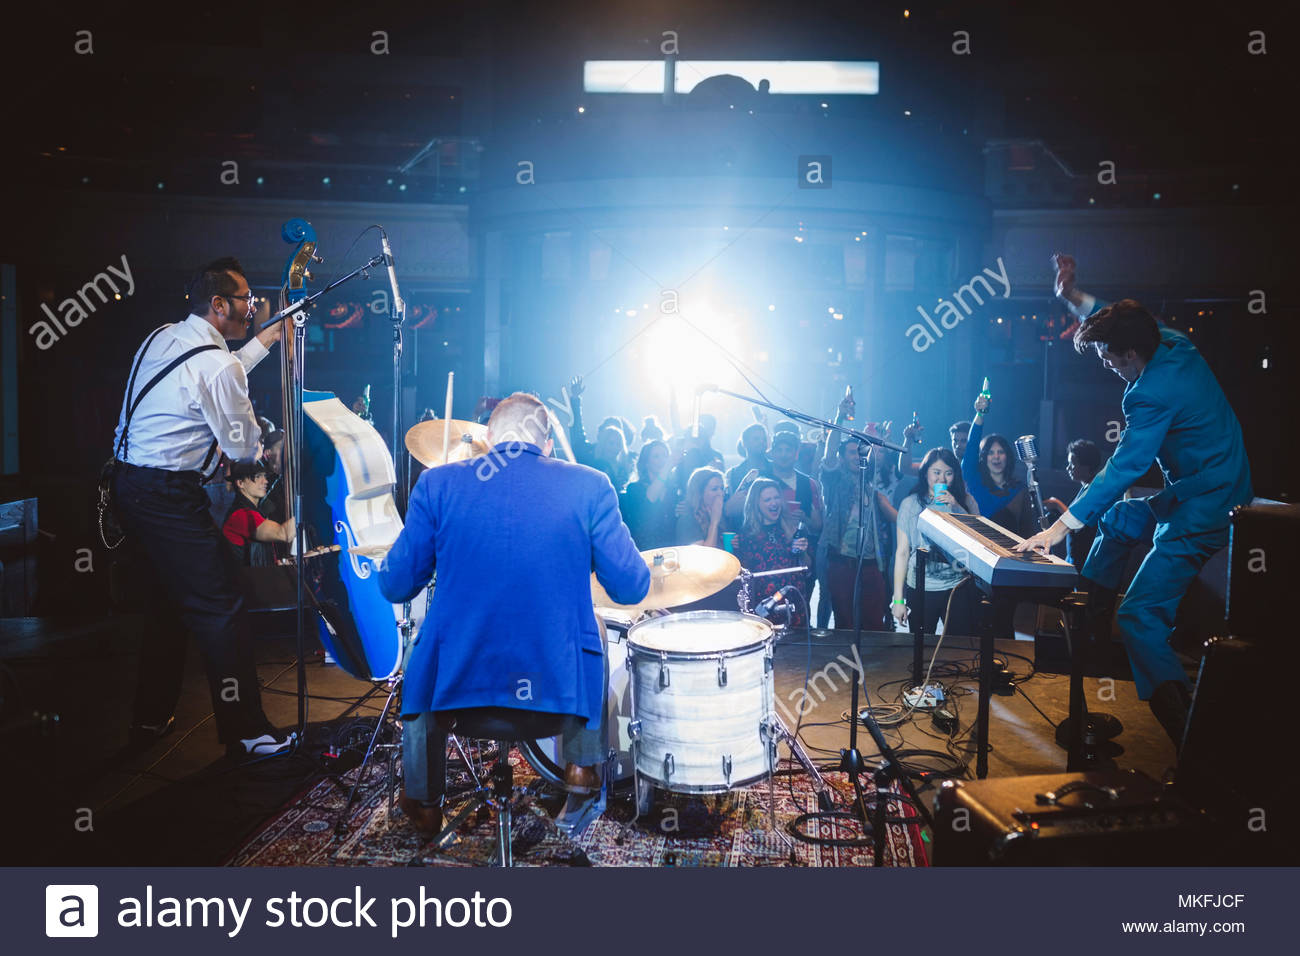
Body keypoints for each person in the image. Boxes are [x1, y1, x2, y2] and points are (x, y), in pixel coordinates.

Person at [379, 393, 649, 836]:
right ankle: (582, 766)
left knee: (426, 636)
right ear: (547, 444)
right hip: (553, 700)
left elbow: (395, 584)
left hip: (459, 699)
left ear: (487, 439)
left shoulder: (437, 485)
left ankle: (425, 796)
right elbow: (632, 586)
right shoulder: (590, 485)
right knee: (595, 624)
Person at [1017, 254, 1252, 750]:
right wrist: (1073, 298)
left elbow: (1123, 465)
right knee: (1122, 518)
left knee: (1141, 616)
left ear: (1130, 356)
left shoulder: (1149, 394)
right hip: (1212, 482)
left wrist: (1061, 528)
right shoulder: (1172, 343)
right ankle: (1085, 622)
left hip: (1207, 507)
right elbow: (1119, 315)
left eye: (1108, 357)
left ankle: (1196, 750)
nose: (1105, 364)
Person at [110, 256, 296, 758]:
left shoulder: (165, 335)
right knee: (223, 604)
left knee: (167, 606)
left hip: (129, 487)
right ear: (219, 305)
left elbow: (211, 373)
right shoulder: (218, 365)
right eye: (247, 301)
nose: (254, 308)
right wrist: (263, 440)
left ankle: (150, 721)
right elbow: (242, 449)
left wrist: (265, 341)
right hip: (166, 495)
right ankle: (248, 731)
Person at [892, 449, 981, 637]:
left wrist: (956, 507)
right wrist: (898, 601)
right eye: (936, 472)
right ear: (925, 473)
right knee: (921, 647)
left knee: (959, 646)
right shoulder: (910, 504)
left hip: (957, 584)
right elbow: (902, 552)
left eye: (948, 473)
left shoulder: (966, 501)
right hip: (922, 587)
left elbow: (977, 540)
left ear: (955, 475)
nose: (942, 478)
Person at [732, 479, 810, 624]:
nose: (774, 503)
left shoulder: (792, 528)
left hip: (794, 604)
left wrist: (803, 552)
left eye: (776, 498)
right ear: (756, 504)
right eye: (767, 499)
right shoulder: (746, 536)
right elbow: (742, 578)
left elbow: (807, 567)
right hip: (765, 608)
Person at [960, 399, 1032, 535]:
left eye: (1000, 452)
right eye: (991, 453)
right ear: (984, 458)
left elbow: (1026, 529)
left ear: (1008, 456)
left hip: (1009, 553)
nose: (996, 457)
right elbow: (972, 444)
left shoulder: (1019, 489)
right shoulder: (974, 481)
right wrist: (980, 414)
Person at [221, 460, 295, 567]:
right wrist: (307, 505)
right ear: (240, 483)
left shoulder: (253, 511)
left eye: (264, 476)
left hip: (254, 580)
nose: (265, 481)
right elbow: (284, 534)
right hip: (244, 582)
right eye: (257, 476)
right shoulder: (241, 515)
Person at [1045, 438, 1103, 572]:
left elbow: (1080, 524)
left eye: (1073, 464)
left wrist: (1058, 505)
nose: (1068, 468)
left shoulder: (1095, 491)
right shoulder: (1085, 488)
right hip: (1075, 560)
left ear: (1086, 465)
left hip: (1084, 563)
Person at [619, 439, 679, 550]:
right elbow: (650, 499)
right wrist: (667, 467)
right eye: (656, 456)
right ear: (646, 463)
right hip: (645, 550)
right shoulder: (635, 488)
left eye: (665, 456)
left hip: (670, 550)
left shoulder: (673, 490)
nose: (663, 460)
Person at [676, 466, 725, 548]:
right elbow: (704, 556)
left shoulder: (716, 514)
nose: (721, 493)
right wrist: (714, 522)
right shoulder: (687, 521)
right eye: (714, 489)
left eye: (722, 488)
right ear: (699, 493)